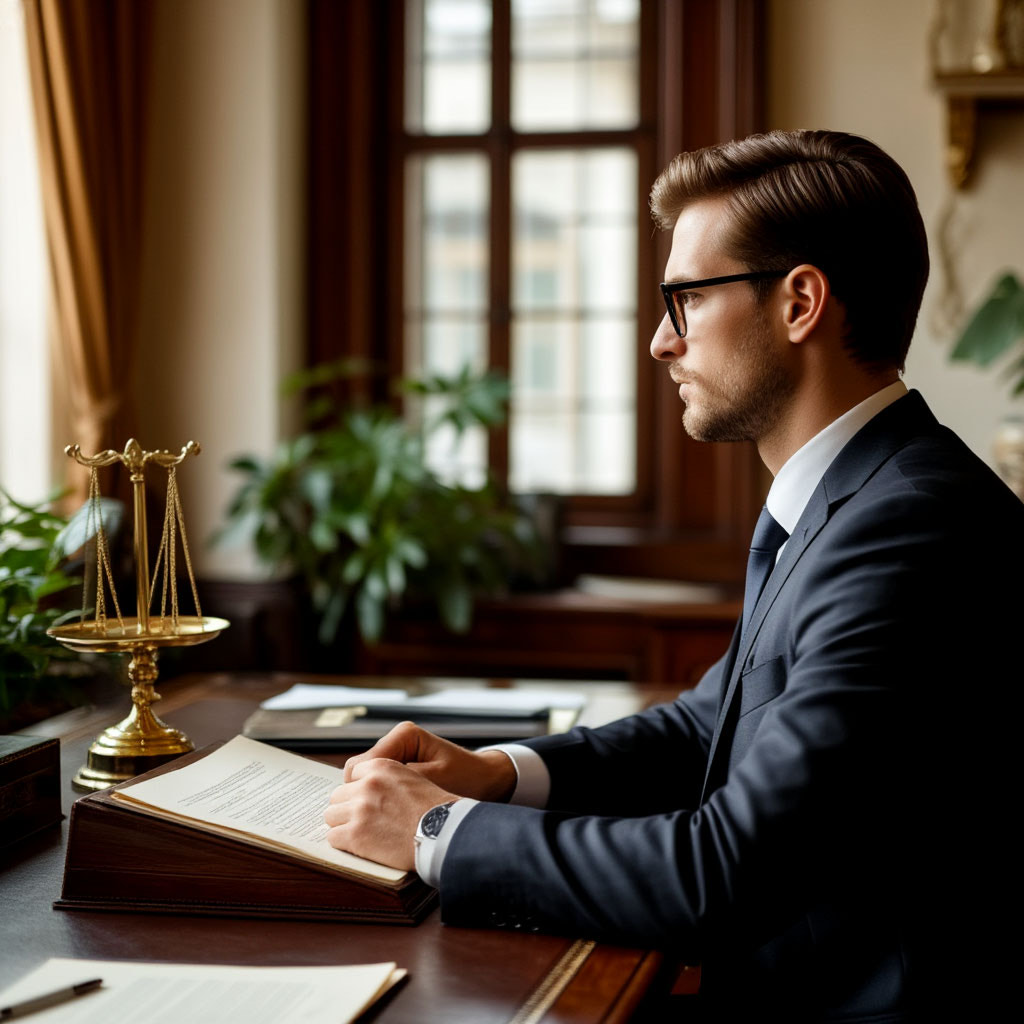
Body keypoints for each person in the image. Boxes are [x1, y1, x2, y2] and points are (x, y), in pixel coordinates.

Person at [323, 130, 1023, 1020]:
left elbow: (726, 872)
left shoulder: (909, 523)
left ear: (801, 300)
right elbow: (707, 728)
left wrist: (431, 830)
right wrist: (497, 774)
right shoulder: (857, 494)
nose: (661, 341)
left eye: (685, 298)